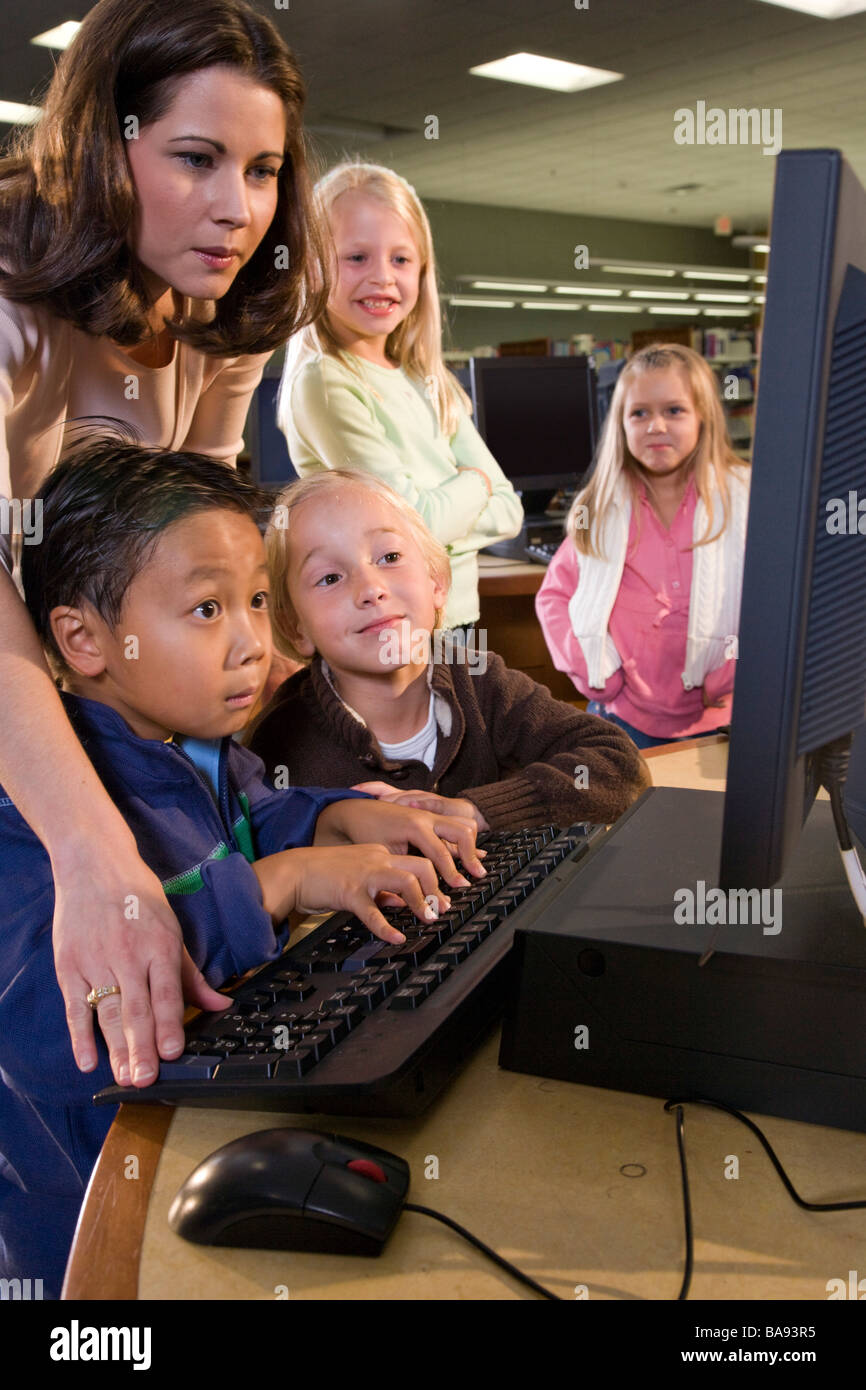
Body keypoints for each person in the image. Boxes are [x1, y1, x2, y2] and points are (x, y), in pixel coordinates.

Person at [2, 438, 484, 1297]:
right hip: (97, 1225)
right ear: (83, 639)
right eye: (207, 610)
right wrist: (281, 881)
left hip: (194, 1146)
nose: (253, 642)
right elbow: (65, 1016)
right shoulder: (38, 811)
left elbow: (256, 813)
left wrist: (339, 813)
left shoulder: (194, 745)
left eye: (259, 600)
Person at [0, 0, 331, 1093]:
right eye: (196, 158)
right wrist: (93, 850)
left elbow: (190, 545)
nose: (238, 210)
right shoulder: (13, 303)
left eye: (264, 168)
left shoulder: (219, 305)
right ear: (108, 143)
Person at [246, 469, 651, 829]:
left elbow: (619, 765)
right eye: (330, 577)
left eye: (389, 556)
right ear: (294, 626)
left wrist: (477, 811)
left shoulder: (479, 680)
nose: (371, 589)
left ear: (436, 581)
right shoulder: (278, 744)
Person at [276, 160, 524, 631]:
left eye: (401, 259)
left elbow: (509, 510)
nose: (383, 277)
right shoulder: (327, 381)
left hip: (461, 617)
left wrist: (436, 519)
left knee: (468, 707)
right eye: (356, 258)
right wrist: (476, 484)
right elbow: (412, 526)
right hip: (390, 625)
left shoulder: (425, 378)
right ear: (314, 266)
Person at [535, 344, 751, 750]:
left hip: (723, 718)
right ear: (621, 424)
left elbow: (777, 601)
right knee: (630, 813)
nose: (655, 425)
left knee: (713, 813)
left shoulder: (743, 499)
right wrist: (594, 671)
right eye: (639, 413)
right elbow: (555, 597)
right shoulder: (599, 507)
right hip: (622, 718)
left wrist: (729, 675)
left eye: (674, 410)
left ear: (703, 416)